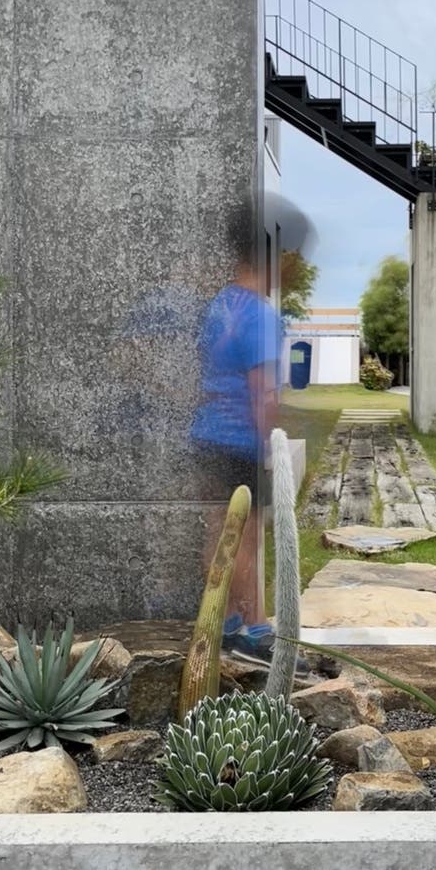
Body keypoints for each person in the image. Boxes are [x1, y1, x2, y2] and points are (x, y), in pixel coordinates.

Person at [190, 199, 314, 669]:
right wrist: (270, 448)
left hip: (204, 437)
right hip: (239, 440)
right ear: (276, 257)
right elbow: (263, 393)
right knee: (245, 538)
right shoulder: (262, 315)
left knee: (215, 533)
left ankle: (220, 626)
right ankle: (254, 631)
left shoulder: (218, 307)